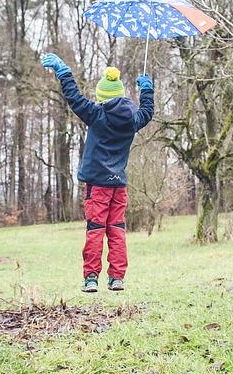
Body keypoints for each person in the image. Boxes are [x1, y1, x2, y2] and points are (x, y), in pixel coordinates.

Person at [39, 53, 154, 292]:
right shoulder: (132, 119)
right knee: (117, 229)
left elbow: (74, 98)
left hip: (97, 186)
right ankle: (117, 278)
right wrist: (147, 91)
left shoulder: (96, 114)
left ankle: (91, 277)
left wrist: (63, 72)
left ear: (102, 97)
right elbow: (147, 111)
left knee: (95, 229)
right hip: (119, 185)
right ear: (121, 95)